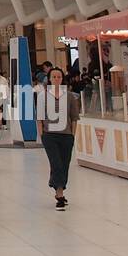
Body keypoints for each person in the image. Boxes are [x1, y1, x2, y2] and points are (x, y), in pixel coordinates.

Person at [35, 66, 80, 210]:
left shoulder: (69, 96)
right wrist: (42, 134)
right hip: (50, 135)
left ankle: (58, 186)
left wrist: (72, 134)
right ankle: (59, 194)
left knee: (64, 163)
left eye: (59, 77)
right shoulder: (42, 95)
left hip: (66, 135)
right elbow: (40, 117)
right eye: (53, 77)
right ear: (49, 79)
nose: (56, 79)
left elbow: (74, 117)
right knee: (56, 163)